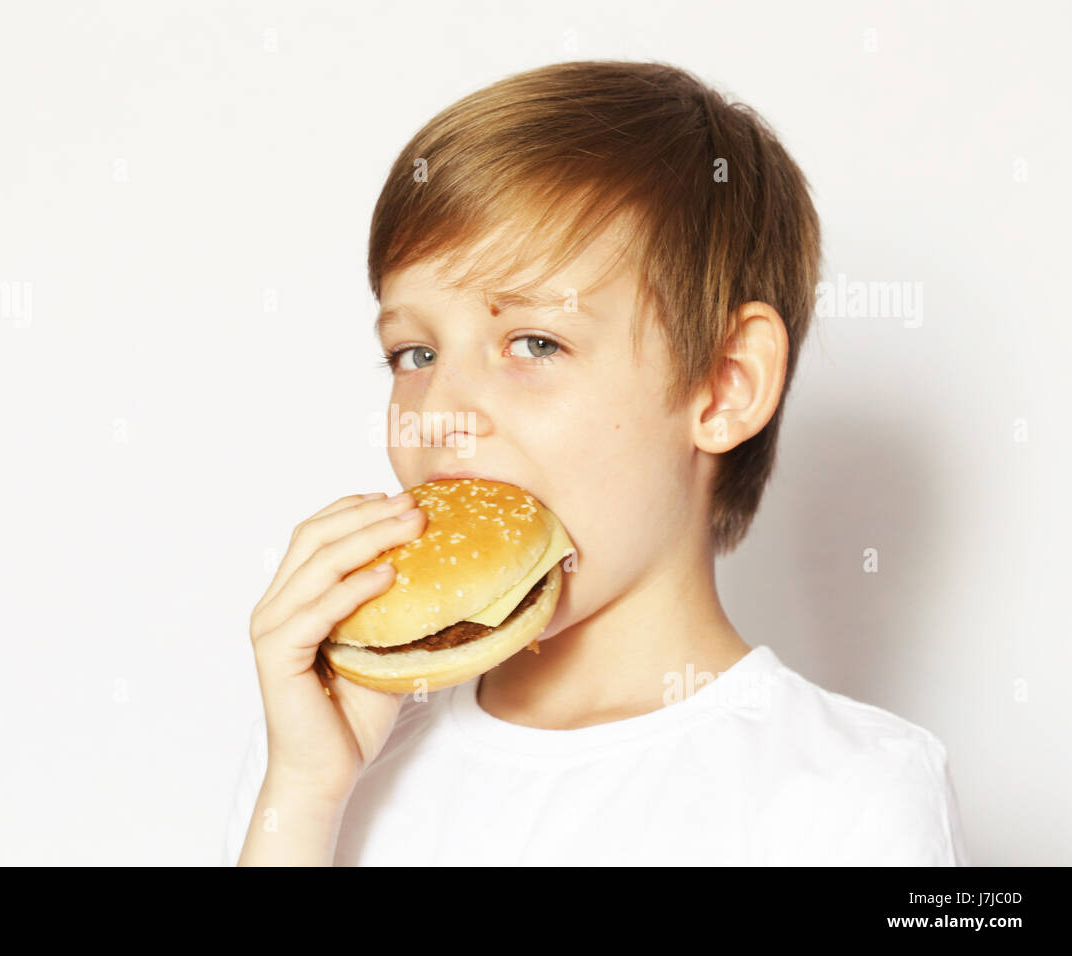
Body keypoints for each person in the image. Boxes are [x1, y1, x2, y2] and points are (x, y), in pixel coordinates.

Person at [224, 59, 969, 866]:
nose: (439, 414)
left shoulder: (853, 794)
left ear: (724, 386)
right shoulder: (327, 765)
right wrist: (302, 794)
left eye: (535, 342)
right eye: (414, 352)